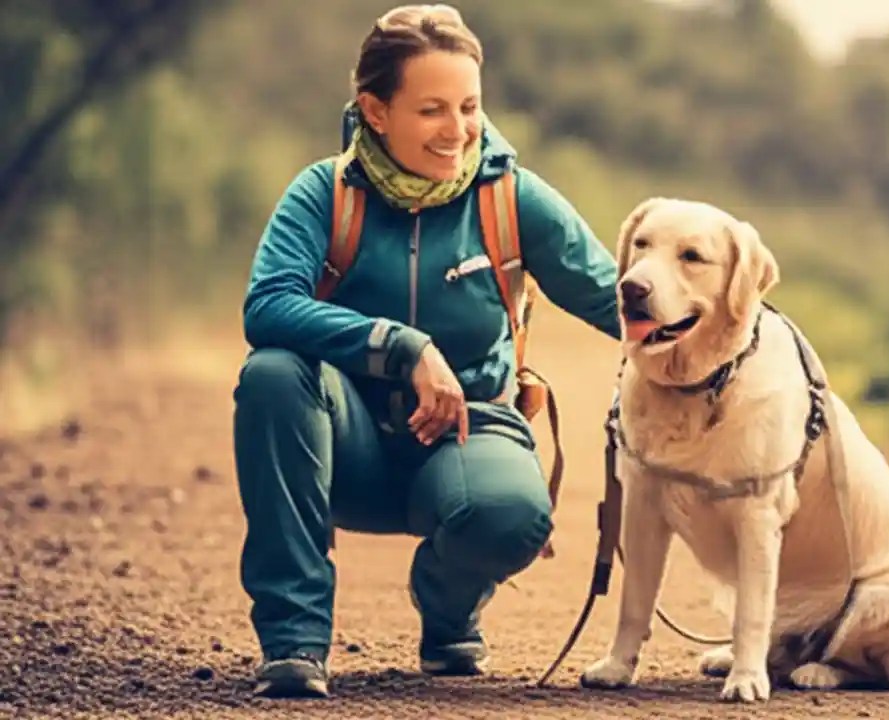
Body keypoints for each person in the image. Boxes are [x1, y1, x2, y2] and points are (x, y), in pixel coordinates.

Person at [232, 4, 620, 699]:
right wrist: (400, 345)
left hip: (468, 437)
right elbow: (266, 308)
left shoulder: (510, 198)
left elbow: (619, 300)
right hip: (343, 442)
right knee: (272, 374)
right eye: (433, 109)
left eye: (470, 106)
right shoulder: (324, 193)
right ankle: (294, 643)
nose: (459, 129)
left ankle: (448, 612)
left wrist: (747, 339)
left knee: (512, 517)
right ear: (375, 112)